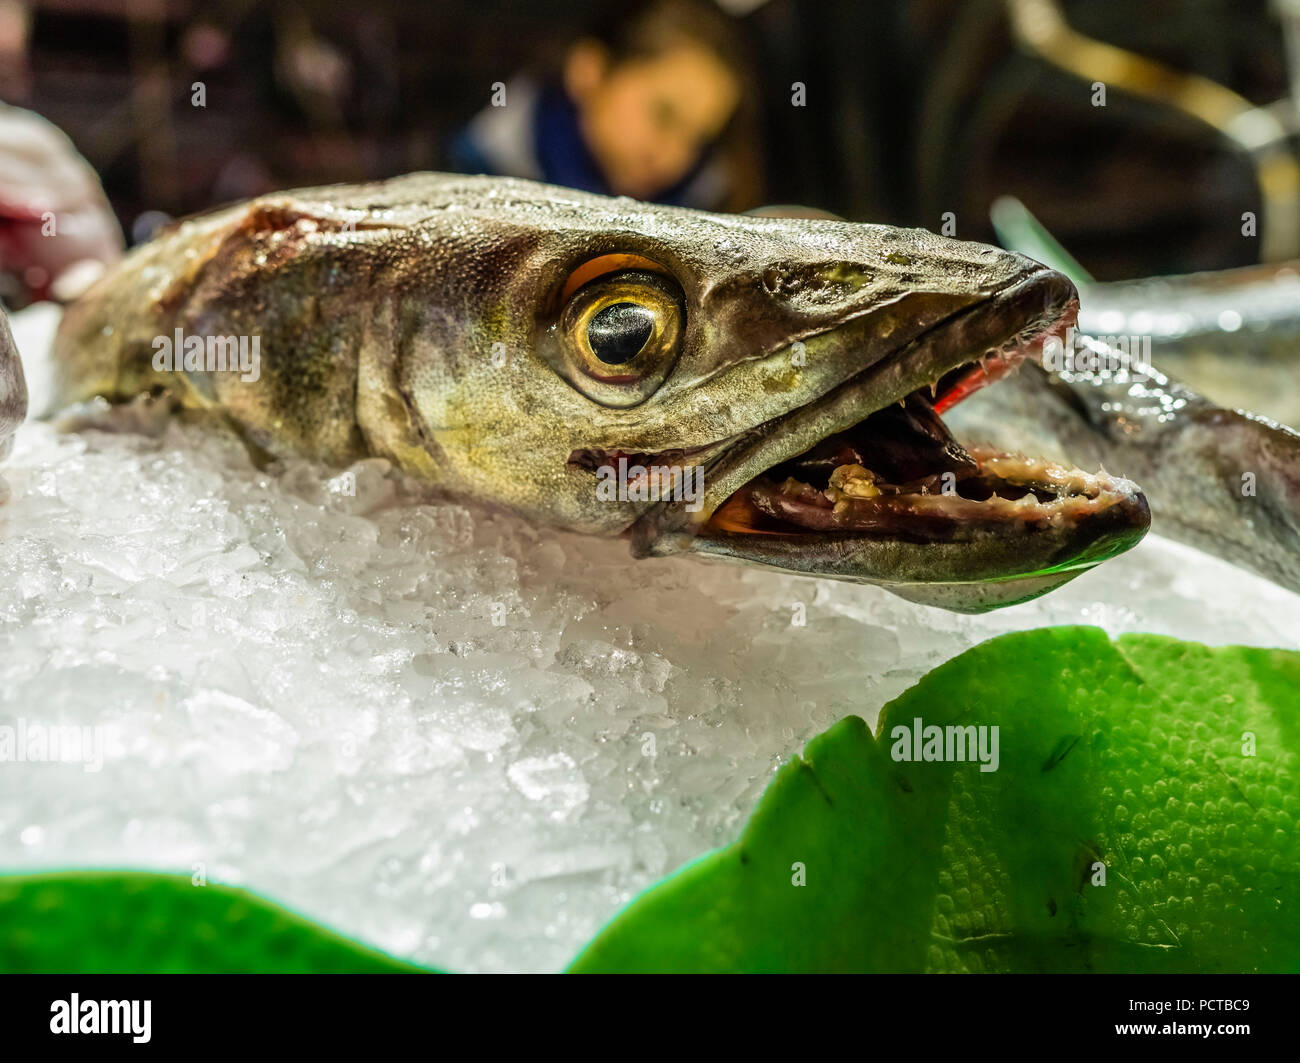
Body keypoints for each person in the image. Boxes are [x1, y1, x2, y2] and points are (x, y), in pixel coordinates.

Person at [448, 0, 762, 212]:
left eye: (697, 140)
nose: (672, 159)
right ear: (590, 72)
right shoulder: (459, 182)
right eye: (664, 114)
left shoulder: (706, 209)